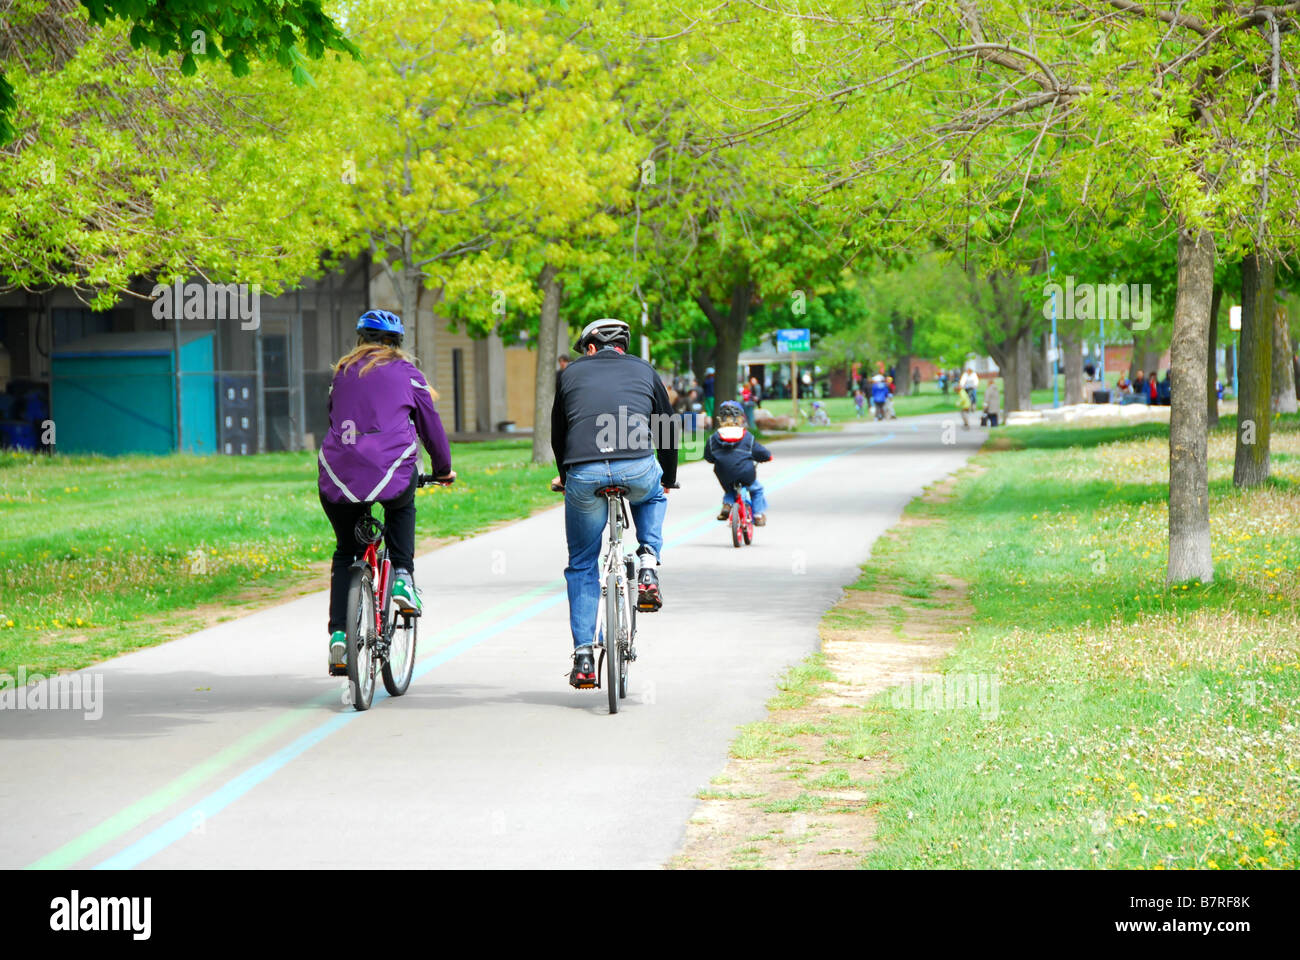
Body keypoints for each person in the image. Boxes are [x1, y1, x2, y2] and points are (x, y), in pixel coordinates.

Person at [317, 310, 454, 676]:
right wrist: (442, 469)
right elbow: (431, 426)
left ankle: (339, 638)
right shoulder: (409, 375)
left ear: (361, 341)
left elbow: (334, 417)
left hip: (338, 471)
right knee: (400, 506)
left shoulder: (340, 375)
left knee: (347, 550)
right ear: (397, 345)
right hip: (390, 468)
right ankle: (404, 580)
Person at [550, 318, 678, 689]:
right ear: (622, 345)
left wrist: (566, 473)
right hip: (637, 466)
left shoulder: (570, 375)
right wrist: (667, 479)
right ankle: (649, 562)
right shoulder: (644, 369)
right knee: (651, 491)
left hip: (583, 474)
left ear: (590, 347)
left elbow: (559, 434)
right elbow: (667, 429)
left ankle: (585, 657)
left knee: (582, 565)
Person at [705, 401, 772, 526]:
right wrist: (768, 457)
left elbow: (708, 457)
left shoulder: (714, 437)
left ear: (720, 419)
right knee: (757, 489)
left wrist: (715, 459)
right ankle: (757, 515)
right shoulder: (746, 436)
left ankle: (727, 505)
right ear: (741, 418)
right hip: (745, 473)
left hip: (724, 474)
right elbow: (760, 452)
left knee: (730, 489)